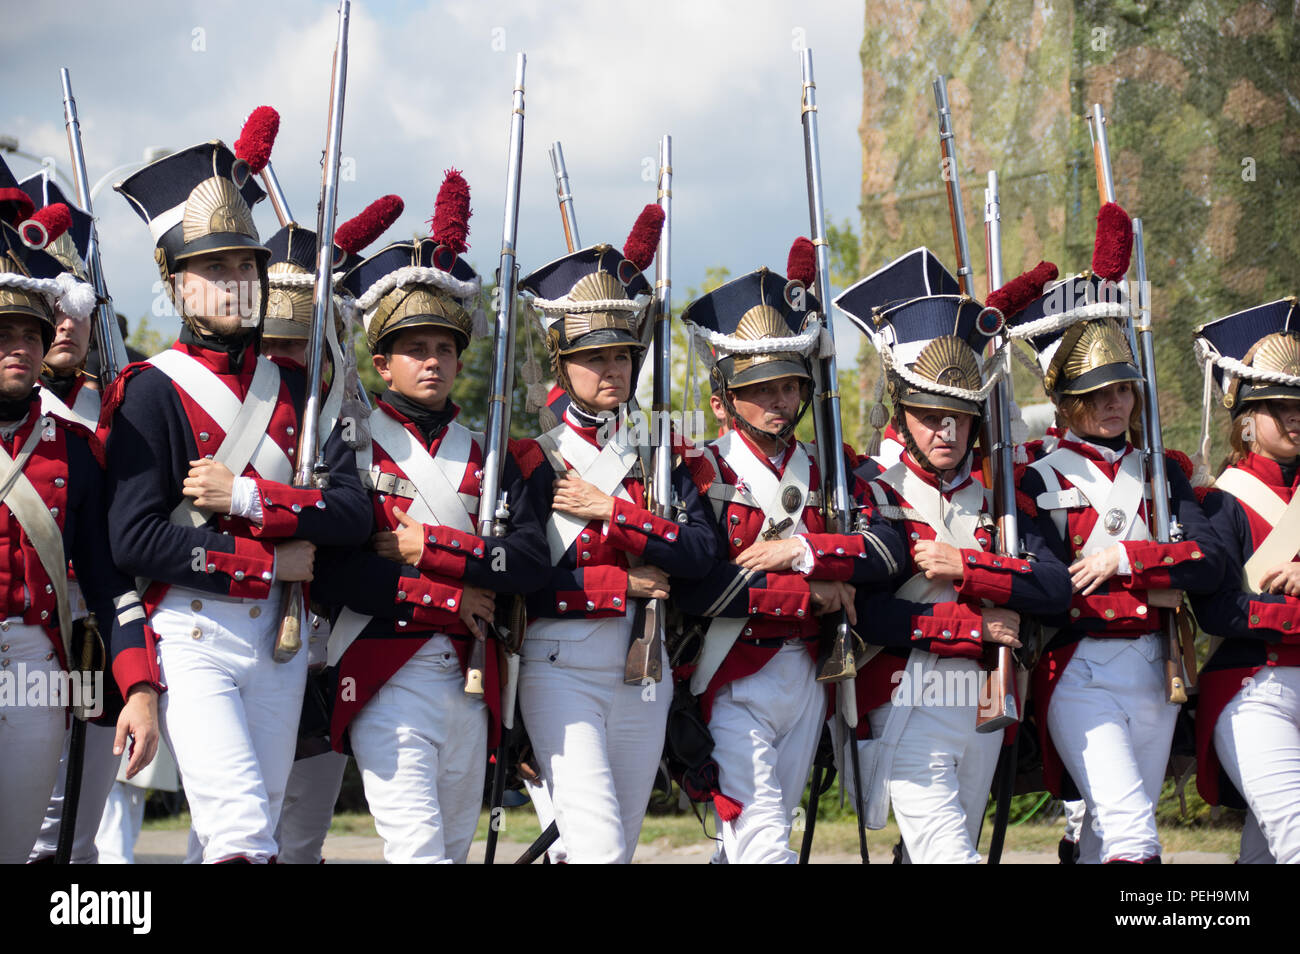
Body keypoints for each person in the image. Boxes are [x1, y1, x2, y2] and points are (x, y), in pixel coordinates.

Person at [106, 137, 371, 863]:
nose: (236, 283)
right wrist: (267, 563)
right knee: (242, 831)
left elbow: (352, 512)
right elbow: (135, 538)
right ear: (176, 285)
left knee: (239, 833)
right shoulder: (151, 390)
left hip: (280, 640)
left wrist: (251, 498)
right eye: (215, 268)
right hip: (192, 633)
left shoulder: (300, 390)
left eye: (246, 266)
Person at [313, 171, 547, 863]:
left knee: (451, 848)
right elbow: (336, 572)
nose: (433, 361)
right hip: (384, 665)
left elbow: (528, 563)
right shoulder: (350, 443)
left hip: (472, 673)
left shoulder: (490, 453)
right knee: (418, 850)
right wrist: (451, 593)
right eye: (416, 349)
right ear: (382, 364)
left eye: (444, 348)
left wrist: (429, 547)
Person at [833, 246, 1070, 864]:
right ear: (901, 411)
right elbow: (867, 613)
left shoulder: (1001, 498)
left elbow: (1054, 589)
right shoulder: (872, 490)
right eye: (931, 416)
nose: (947, 431)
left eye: (959, 417)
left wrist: (971, 568)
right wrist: (972, 627)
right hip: (906, 695)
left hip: (984, 699)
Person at [1005, 206, 1223, 863]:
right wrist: (1155, 568)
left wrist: (1126, 557)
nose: (1113, 403)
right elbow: (1050, 585)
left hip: (1158, 667)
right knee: (1134, 835)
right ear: (1066, 400)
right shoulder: (1036, 477)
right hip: (1079, 667)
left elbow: (1207, 563)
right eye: (1096, 393)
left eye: (1123, 389)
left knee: (1105, 833)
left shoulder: (1163, 472)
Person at [671, 251, 904, 864]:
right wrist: (813, 592)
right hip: (729, 671)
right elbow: (702, 585)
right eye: (760, 389)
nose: (779, 399)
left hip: (807, 676)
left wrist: (802, 550)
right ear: (723, 401)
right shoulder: (701, 469)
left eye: (789, 384)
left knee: (756, 841)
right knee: (764, 841)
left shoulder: (834, 467)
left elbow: (887, 551)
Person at [513, 213, 718, 863]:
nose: (612, 369)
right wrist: (621, 582)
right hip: (558, 663)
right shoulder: (532, 457)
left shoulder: (659, 453)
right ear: (563, 363)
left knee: (615, 850)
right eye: (594, 357)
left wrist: (614, 513)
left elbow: (700, 554)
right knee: (598, 846)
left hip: (644, 670)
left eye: (622, 355)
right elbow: (520, 577)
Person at [0, 181, 148, 864]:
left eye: (30, 334)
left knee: (44, 842)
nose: (22, 347)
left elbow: (111, 577)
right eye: (4, 334)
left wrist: (138, 684)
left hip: (50, 654)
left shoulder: (85, 442)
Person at [257, 196, 403, 864]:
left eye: (300, 343)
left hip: (328, 640)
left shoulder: (350, 425)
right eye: (273, 343)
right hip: (233, 629)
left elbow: (355, 526)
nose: (285, 357)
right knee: (236, 824)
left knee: (303, 835)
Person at [1189, 299, 1300, 864]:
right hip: (1254, 688)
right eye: (1280, 407)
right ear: (1248, 421)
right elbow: (1216, 610)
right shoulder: (1219, 502)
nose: (1296, 418)